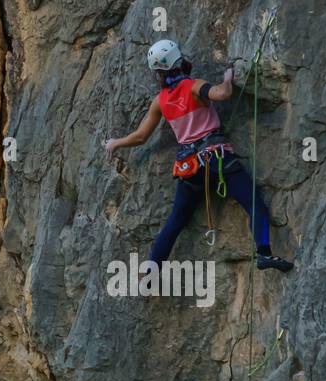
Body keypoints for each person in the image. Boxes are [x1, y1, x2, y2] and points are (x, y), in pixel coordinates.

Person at [104, 39, 294, 271]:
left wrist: (115, 143)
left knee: (176, 220)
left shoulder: (160, 102)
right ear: (178, 59)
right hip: (217, 159)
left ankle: (151, 271)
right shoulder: (193, 86)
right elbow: (222, 94)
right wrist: (228, 76)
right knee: (254, 203)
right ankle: (264, 252)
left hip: (190, 167)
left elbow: (141, 136)